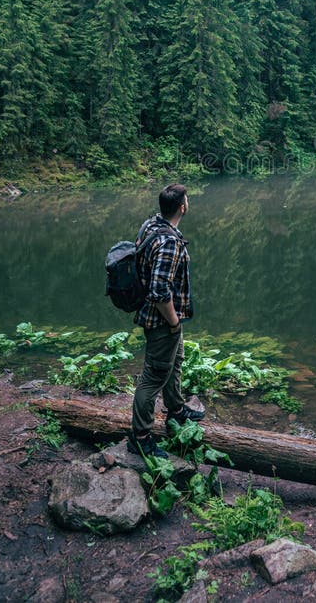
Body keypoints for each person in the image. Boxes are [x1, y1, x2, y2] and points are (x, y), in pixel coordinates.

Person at [128, 182, 204, 457]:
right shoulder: (169, 242)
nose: (188, 202)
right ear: (182, 206)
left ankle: (176, 410)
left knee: (175, 363)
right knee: (152, 378)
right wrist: (173, 323)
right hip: (162, 320)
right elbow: (160, 292)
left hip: (167, 319)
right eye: (187, 199)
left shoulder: (153, 225)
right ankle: (140, 438)